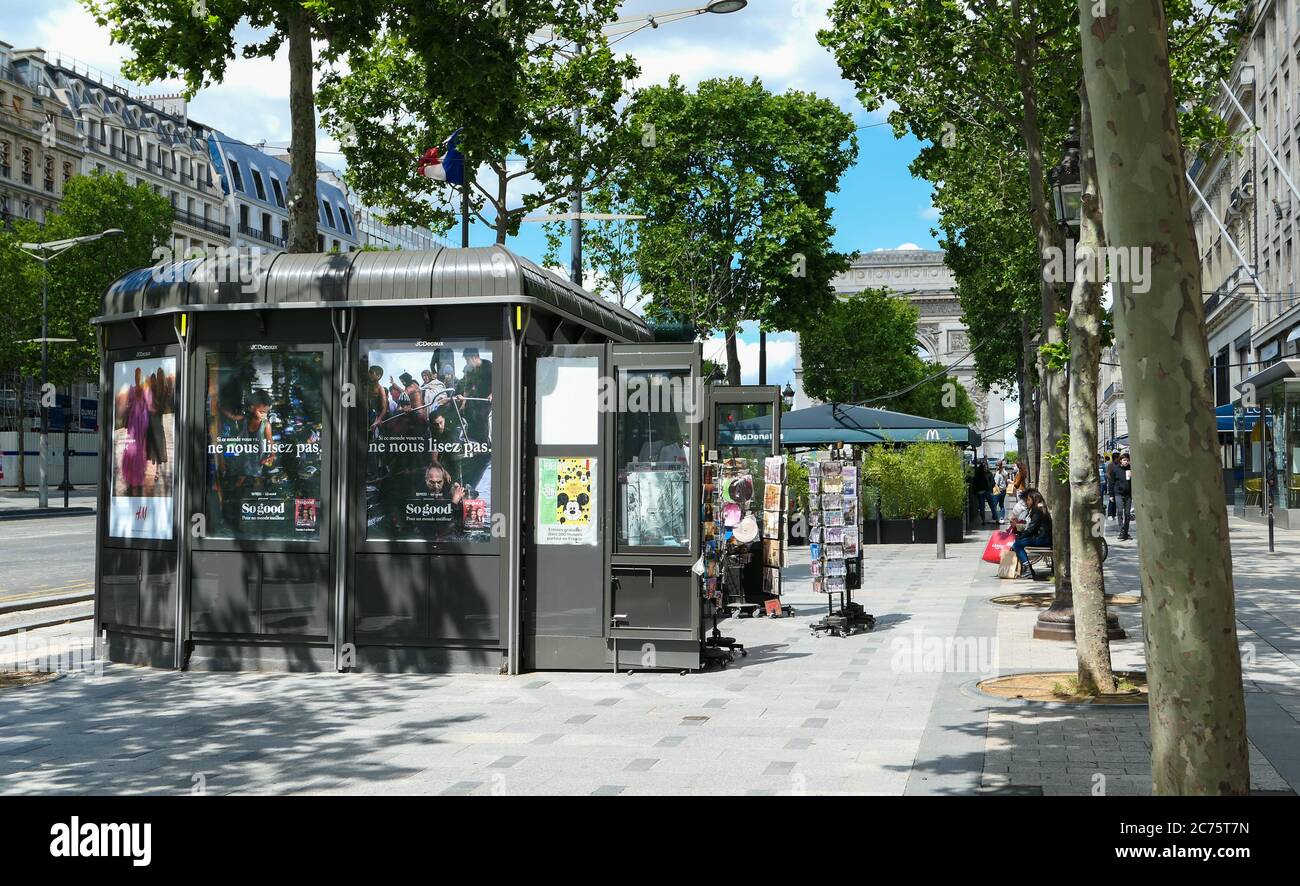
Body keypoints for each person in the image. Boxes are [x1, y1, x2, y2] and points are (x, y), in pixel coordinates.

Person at [1011, 489, 1053, 575]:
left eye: (1028, 500)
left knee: (1017, 544)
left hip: (1042, 539)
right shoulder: (1042, 508)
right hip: (1045, 538)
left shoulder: (1037, 510)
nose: (1027, 502)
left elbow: (1031, 529)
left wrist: (1020, 537)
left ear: (1033, 499)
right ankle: (1028, 568)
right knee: (1019, 542)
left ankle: (1028, 569)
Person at [1113, 451, 1134, 540]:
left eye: (1127, 460)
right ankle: (1122, 531)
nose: (1126, 462)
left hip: (1128, 494)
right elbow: (1112, 482)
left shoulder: (1131, 469)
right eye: (1124, 460)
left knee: (1127, 514)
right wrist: (1111, 495)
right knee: (1120, 512)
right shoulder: (1116, 469)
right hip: (1118, 494)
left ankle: (1125, 532)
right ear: (1121, 460)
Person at [972, 458, 998, 525]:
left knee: (982, 507)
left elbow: (974, 484)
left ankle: (983, 520)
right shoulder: (989, 473)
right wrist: (989, 488)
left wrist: (975, 492)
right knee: (992, 505)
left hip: (980, 492)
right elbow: (993, 483)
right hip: (988, 492)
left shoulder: (977, 474)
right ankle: (996, 518)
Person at [1105, 450, 1123, 520]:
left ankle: (1114, 514)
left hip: (1118, 484)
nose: (1118, 458)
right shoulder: (1111, 464)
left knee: (1116, 499)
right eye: (1118, 457)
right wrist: (1112, 478)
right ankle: (1110, 514)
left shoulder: (1119, 464)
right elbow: (1107, 474)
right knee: (1111, 499)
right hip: (1112, 483)